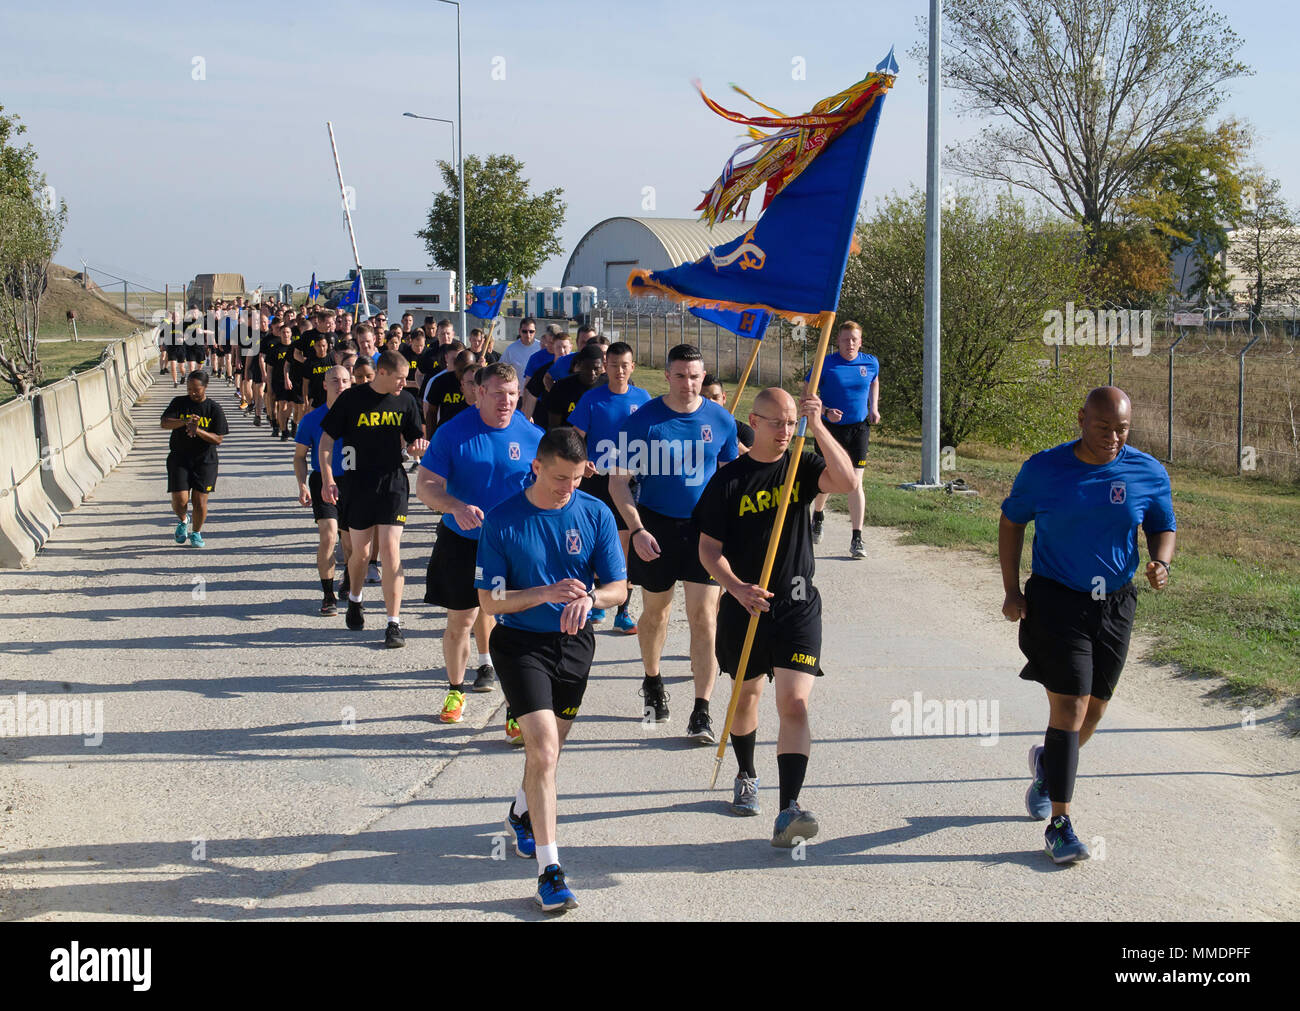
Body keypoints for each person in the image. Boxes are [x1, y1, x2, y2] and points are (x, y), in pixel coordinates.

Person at [999, 386, 1176, 864]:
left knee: (1095, 712)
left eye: (1122, 430)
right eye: (1104, 429)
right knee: (1072, 706)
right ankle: (1060, 823)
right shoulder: (1044, 469)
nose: (1113, 439)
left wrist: (1161, 560)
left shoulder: (1147, 471)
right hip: (1057, 600)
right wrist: (1012, 590)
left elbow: (1162, 524)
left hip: (1114, 603)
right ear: (1081, 420)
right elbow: (1012, 521)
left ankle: (1047, 766)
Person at [477, 426, 627, 912]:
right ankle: (550, 871)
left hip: (574, 643)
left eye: (578, 479)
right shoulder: (503, 521)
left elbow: (619, 588)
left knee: (551, 752)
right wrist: (543, 593)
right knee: (541, 747)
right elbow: (489, 600)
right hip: (520, 644)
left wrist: (591, 598)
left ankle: (521, 812)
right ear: (536, 467)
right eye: (560, 478)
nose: (569, 488)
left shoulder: (595, 512)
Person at [696, 387, 856, 844]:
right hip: (745, 605)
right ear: (755, 421)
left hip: (798, 605)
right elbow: (709, 550)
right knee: (746, 698)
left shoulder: (801, 467)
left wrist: (819, 425)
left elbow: (845, 483)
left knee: (795, 703)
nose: (785, 431)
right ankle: (746, 773)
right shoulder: (729, 480)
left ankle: (789, 807)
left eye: (792, 422)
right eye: (776, 422)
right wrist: (737, 588)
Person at [607, 344, 739, 740]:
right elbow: (617, 482)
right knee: (656, 613)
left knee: (704, 618)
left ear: (704, 376)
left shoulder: (721, 420)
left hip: (705, 530)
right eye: (680, 375)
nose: (688, 383)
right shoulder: (643, 421)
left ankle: (702, 710)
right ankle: (652, 679)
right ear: (666, 376)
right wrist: (638, 528)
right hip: (656, 528)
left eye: (695, 376)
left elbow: (732, 478)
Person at [416, 362, 543, 731]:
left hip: (513, 545)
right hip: (463, 539)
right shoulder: (453, 433)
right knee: (462, 618)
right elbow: (426, 485)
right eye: (499, 393)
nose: (507, 401)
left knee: (515, 624)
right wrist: (454, 505)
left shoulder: (532, 435)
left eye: (513, 393)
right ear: (479, 393)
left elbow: (549, 487)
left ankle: (517, 707)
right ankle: (455, 690)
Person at [318, 351, 429, 648]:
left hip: (392, 482)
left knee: (391, 549)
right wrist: (328, 478)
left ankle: (393, 623)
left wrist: (419, 448)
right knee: (360, 553)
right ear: (381, 373)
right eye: (399, 377)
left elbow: (416, 441)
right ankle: (355, 598)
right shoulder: (351, 399)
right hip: (357, 483)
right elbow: (327, 440)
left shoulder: (406, 401)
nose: (404, 383)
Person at [568, 340, 649, 634]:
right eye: (613, 366)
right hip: (596, 479)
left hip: (628, 480)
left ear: (632, 367)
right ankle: (592, 602)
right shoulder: (592, 399)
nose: (619, 371)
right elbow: (575, 437)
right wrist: (582, 462)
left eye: (625, 365)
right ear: (606, 367)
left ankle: (623, 611)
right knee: (594, 543)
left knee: (625, 543)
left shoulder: (643, 398)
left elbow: (651, 436)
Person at [802, 321, 879, 559]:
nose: (850, 344)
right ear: (838, 341)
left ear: (861, 341)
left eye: (854, 339)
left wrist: (873, 407)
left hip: (858, 428)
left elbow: (874, 381)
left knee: (855, 482)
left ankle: (857, 537)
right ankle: (819, 513)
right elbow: (807, 393)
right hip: (829, 430)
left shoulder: (870, 362)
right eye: (846, 339)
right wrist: (825, 411)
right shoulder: (826, 363)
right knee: (828, 477)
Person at [294, 365, 353, 615]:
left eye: (345, 381)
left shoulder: (360, 417)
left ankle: (349, 580)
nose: (340, 385)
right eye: (335, 381)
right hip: (323, 480)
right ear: (325, 385)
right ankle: (328, 594)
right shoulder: (311, 419)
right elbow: (299, 456)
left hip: (353, 482)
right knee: (329, 535)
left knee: (352, 544)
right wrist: (301, 484)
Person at [160, 371, 229, 548]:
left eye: (196, 389)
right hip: (179, 458)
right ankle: (183, 520)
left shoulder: (214, 408)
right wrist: (185, 422)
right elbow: (164, 423)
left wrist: (197, 430)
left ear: (204, 388)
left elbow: (218, 439)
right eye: (189, 388)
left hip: (205, 460)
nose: (192, 392)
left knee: (199, 500)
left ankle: (196, 532)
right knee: (180, 500)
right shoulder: (179, 402)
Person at [547, 343, 604, 431]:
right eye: (587, 368)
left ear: (602, 366)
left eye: (596, 369)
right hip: (570, 441)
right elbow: (554, 428)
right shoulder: (561, 388)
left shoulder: (608, 386)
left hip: (602, 442)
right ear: (580, 365)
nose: (592, 373)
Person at [424, 348, 476, 438]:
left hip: (471, 432)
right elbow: (431, 412)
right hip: (446, 431)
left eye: (466, 370)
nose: (462, 374)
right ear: (455, 366)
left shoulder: (480, 384)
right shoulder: (440, 381)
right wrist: (430, 439)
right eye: (460, 370)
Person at [702, 374, 754, 453]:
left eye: (715, 398)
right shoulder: (688, 429)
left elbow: (754, 462)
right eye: (704, 398)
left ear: (723, 398)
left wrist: (733, 440)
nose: (711, 403)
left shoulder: (743, 431)